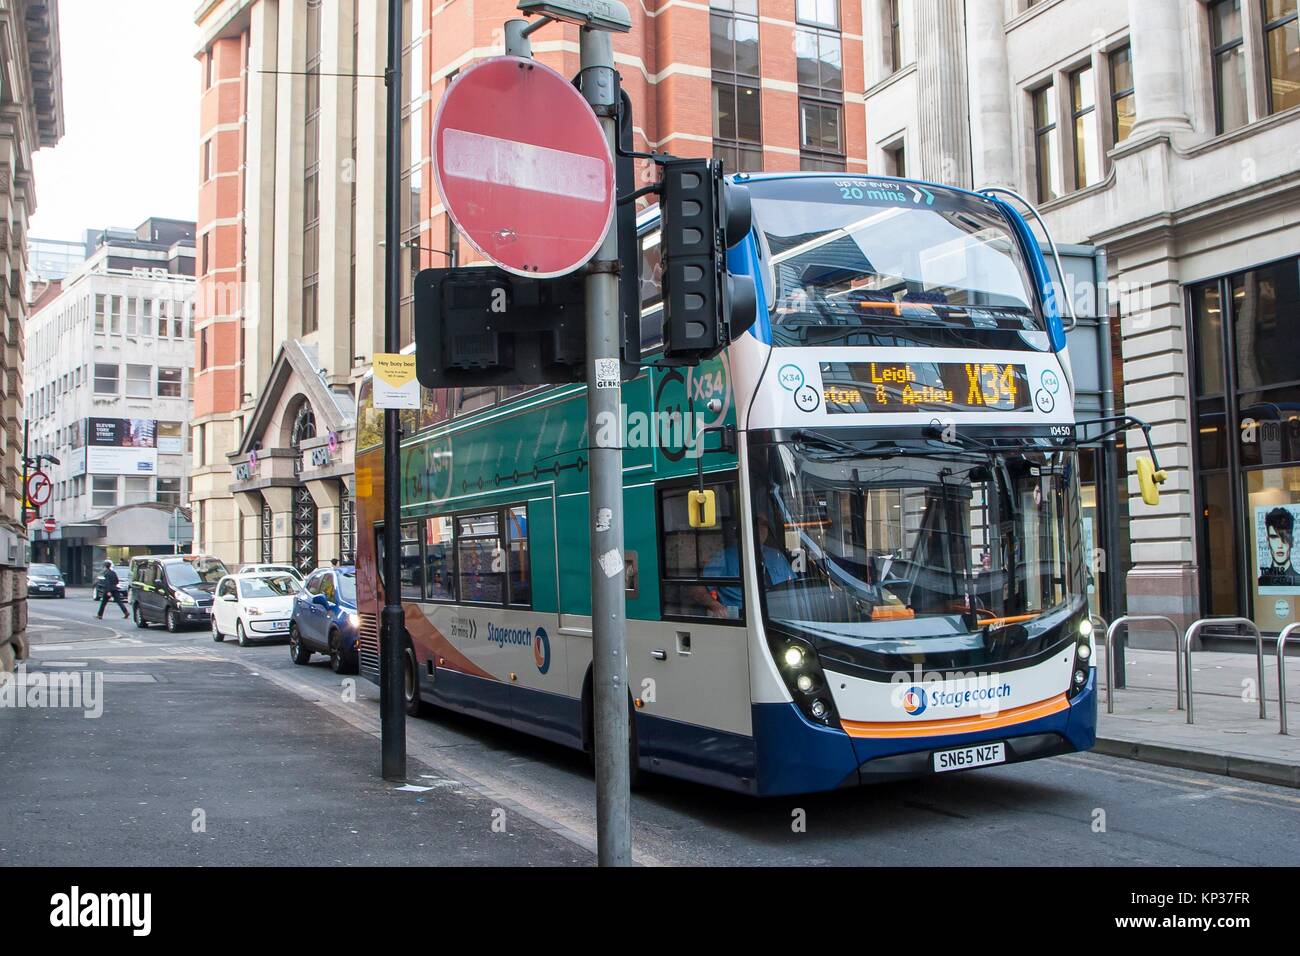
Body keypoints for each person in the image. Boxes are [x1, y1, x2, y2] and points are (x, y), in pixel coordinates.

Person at [693, 514, 795, 619]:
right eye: (756, 523)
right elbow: (698, 588)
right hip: (742, 617)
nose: (761, 528)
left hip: (780, 616)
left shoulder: (776, 556)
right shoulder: (724, 557)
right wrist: (716, 606)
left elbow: (792, 585)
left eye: (764, 524)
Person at [1259, 508, 1300, 588]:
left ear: (1292, 541)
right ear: (1268, 542)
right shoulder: (1260, 583)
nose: (1280, 545)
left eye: (1285, 537)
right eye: (1274, 537)